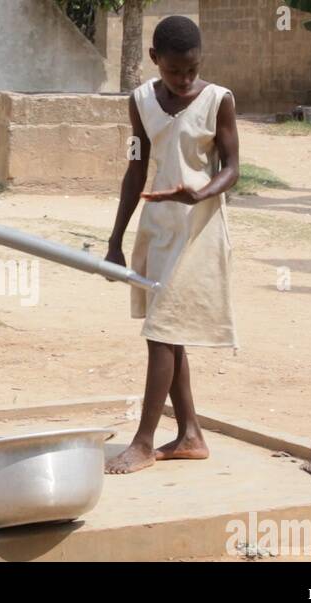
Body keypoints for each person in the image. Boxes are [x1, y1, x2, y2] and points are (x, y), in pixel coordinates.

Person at [104, 15, 240, 474]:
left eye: (192, 69)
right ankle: (190, 435)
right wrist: (115, 239)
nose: (184, 80)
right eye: (174, 71)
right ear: (154, 59)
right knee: (170, 331)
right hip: (158, 227)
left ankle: (143, 442)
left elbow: (232, 168)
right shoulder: (141, 101)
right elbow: (136, 169)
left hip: (199, 227)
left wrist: (200, 192)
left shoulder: (219, 100)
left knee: (162, 332)